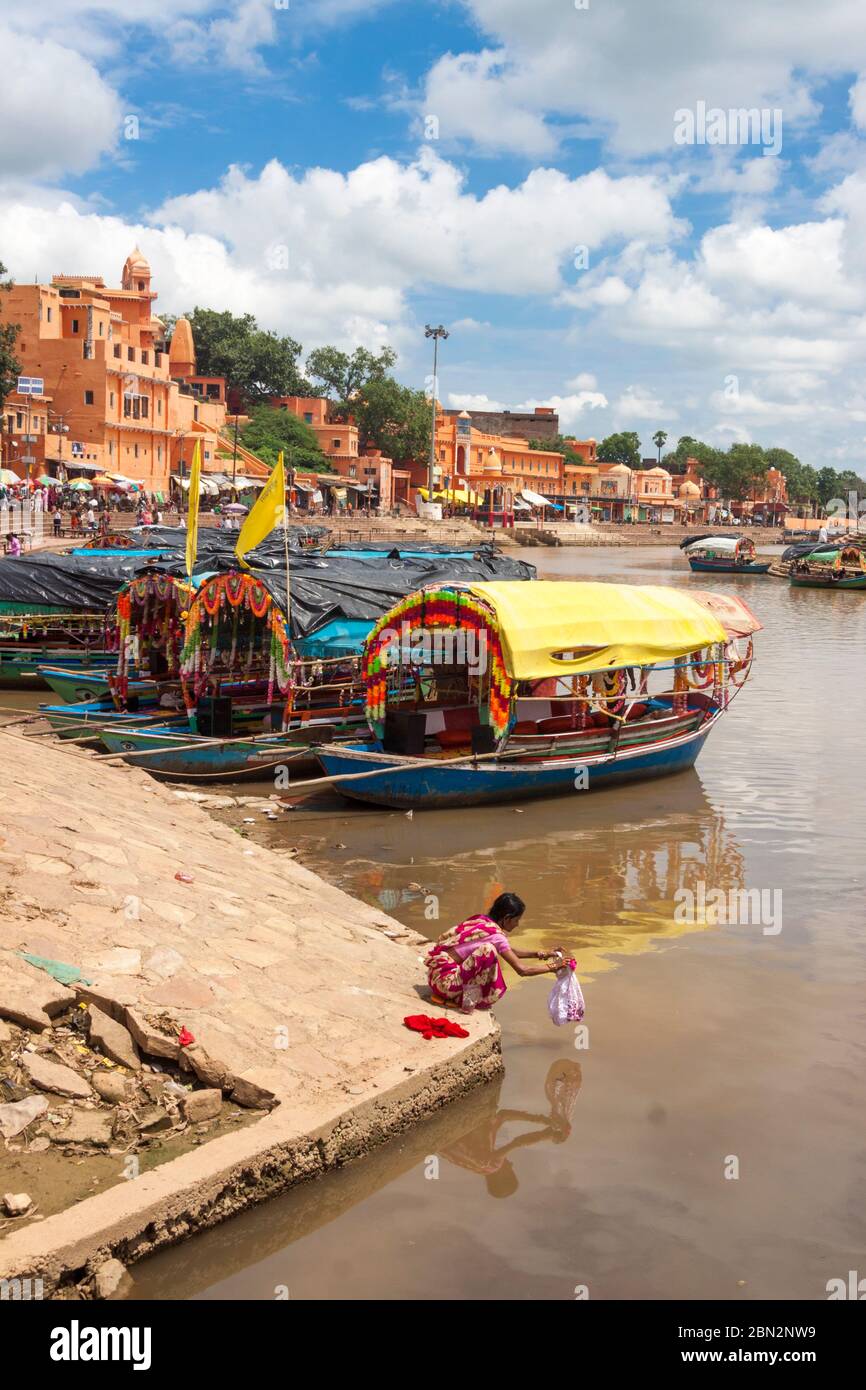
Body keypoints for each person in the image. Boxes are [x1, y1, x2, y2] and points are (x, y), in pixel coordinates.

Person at [426, 892, 565, 1013]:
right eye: (516, 920)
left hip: (434, 977)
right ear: (507, 918)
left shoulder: (481, 921)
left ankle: (456, 994)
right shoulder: (496, 937)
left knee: (489, 949)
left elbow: (508, 950)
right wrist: (553, 967)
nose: (517, 924)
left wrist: (541, 954)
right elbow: (522, 970)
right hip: (446, 986)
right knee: (488, 951)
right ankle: (463, 999)